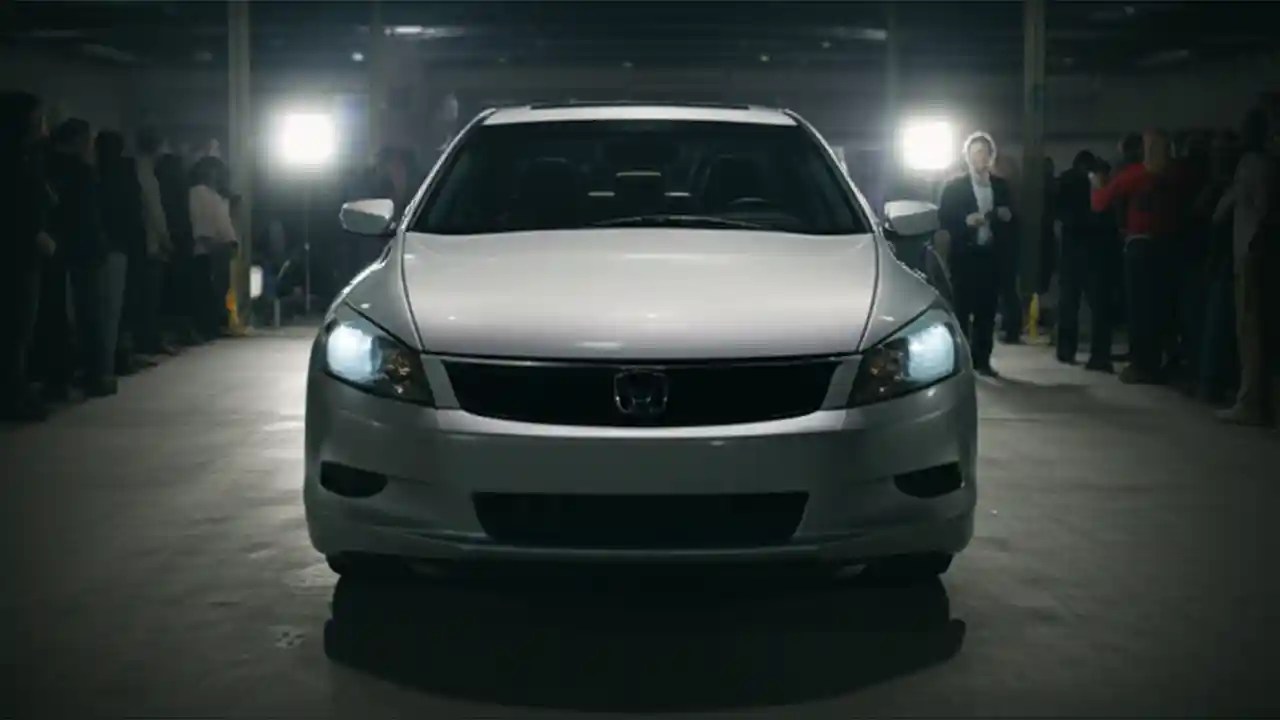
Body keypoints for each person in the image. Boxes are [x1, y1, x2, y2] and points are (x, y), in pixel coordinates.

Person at [1092, 129, 1177, 385]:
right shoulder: (1172, 175)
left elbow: (1099, 203)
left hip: (1139, 246)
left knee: (1140, 308)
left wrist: (1097, 184)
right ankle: (1161, 360)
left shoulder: (1134, 175)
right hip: (1168, 246)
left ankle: (1143, 365)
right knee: (1161, 307)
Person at [43, 118, 114, 397]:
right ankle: (95, 374)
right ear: (78, 140)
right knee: (91, 314)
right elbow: (88, 217)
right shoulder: (83, 173)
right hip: (85, 251)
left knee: (55, 315)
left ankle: (58, 377)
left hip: (54, 250)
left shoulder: (44, 167)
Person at [1213, 106, 1274, 425]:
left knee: (1249, 330)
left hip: (1249, 254)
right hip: (1252, 254)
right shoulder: (1262, 164)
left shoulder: (1252, 165)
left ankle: (1250, 400)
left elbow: (1247, 208)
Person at [939, 132, 1018, 376]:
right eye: (974, 153)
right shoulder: (955, 187)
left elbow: (1012, 218)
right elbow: (944, 218)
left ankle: (982, 360)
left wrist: (1007, 217)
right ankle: (962, 363)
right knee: (962, 310)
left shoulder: (1001, 186)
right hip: (965, 256)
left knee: (987, 311)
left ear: (991, 156)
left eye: (983, 153)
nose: (979, 158)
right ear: (967, 157)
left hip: (991, 256)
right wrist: (965, 222)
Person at [0, 92, 56, 420]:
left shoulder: (27, 158)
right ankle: (11, 396)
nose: (44, 127)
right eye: (39, 119)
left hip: (25, 256)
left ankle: (16, 391)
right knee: (15, 329)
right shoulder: (13, 163)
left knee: (20, 330)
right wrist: (35, 233)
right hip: (17, 257)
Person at [1055, 150, 1116, 371]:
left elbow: (1058, 211)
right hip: (1097, 250)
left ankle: (1065, 350)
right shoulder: (1104, 181)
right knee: (1099, 305)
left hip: (1072, 248)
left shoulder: (1066, 180)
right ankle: (1100, 355)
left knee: (1068, 303)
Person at [96, 130, 147, 377]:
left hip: (102, 244)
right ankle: (115, 360)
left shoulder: (96, 172)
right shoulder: (125, 172)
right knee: (117, 308)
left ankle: (105, 363)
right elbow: (135, 207)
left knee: (101, 311)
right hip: (123, 244)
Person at [1197, 130, 1242, 404]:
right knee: (1216, 323)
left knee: (1218, 323)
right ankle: (1212, 384)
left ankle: (1213, 384)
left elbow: (1211, 217)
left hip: (1227, 260)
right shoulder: (1217, 186)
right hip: (1221, 260)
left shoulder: (1226, 186)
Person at [134, 127, 176, 355]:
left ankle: (145, 341)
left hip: (143, 243)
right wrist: (165, 240)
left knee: (145, 298)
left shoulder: (137, 169)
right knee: (149, 299)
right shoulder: (146, 173)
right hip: (150, 245)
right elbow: (154, 211)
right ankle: (148, 342)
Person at [189, 155, 239, 338]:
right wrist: (211, 243)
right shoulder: (199, 193)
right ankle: (208, 328)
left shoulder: (215, 195)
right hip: (208, 249)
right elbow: (203, 222)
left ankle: (216, 324)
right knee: (208, 291)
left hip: (218, 249)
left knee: (219, 291)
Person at [155, 151, 200, 344]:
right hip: (180, 240)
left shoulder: (161, 186)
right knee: (181, 289)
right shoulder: (181, 189)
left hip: (170, 240)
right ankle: (180, 330)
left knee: (167, 291)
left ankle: (170, 331)